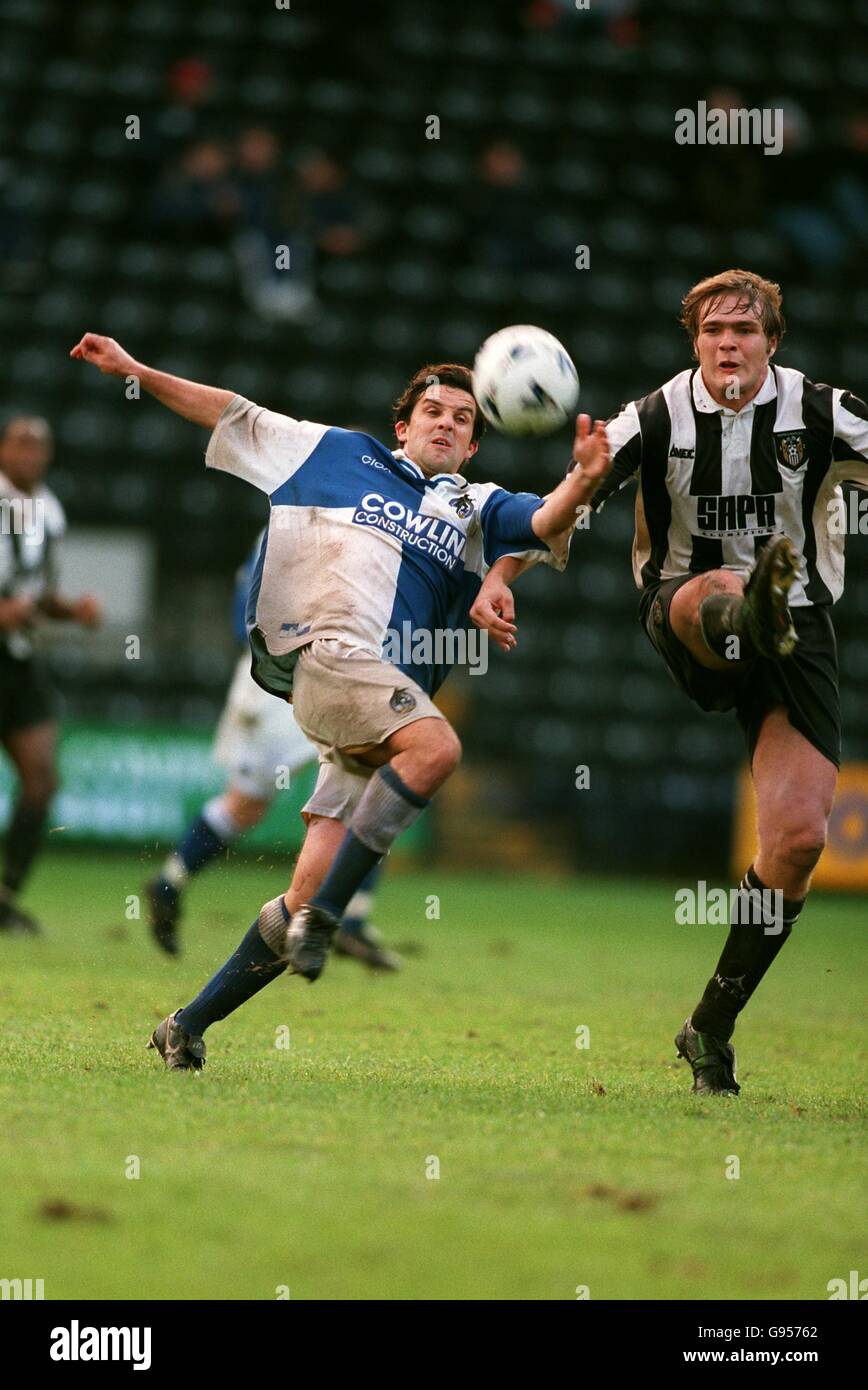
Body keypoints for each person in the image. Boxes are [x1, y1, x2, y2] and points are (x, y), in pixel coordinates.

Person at [70, 332, 612, 1070]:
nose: (447, 422)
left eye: (462, 418)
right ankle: (332, 917)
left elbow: (548, 522)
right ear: (404, 424)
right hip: (326, 657)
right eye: (433, 410)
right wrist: (135, 370)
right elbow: (229, 411)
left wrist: (581, 481)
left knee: (296, 894)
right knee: (437, 747)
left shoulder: (476, 507)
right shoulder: (330, 451)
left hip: (380, 696)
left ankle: (187, 1023)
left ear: (475, 445)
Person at [472, 268, 868, 1097]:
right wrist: (500, 574)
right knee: (715, 588)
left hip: (800, 636)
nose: (731, 343)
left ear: (772, 341)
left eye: (747, 330)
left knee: (795, 843)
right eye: (716, 330)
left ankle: (710, 1028)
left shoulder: (826, 412)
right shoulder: (650, 419)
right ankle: (750, 611)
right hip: (685, 611)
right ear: (695, 342)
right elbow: (564, 503)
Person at [146, 529, 398, 970]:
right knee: (247, 805)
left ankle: (351, 919)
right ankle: (169, 884)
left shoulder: (338, 507)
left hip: (320, 678)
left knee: (372, 782)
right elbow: (249, 601)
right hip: (281, 681)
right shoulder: (301, 517)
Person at [0, 416, 102, 933]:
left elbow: (36, 595)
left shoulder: (48, 511)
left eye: (40, 445)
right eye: (21, 443)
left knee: (41, 778)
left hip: (15, 659)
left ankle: (5, 895)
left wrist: (72, 611)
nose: (31, 453)